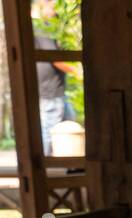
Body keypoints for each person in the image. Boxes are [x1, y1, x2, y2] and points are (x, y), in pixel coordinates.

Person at [31, 1, 75, 154]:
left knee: (70, 122)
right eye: (52, 5)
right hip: (50, 90)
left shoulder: (51, 29)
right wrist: (76, 71)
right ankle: (45, 165)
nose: (55, 10)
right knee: (49, 131)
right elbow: (54, 58)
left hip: (56, 89)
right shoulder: (43, 28)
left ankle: (71, 164)